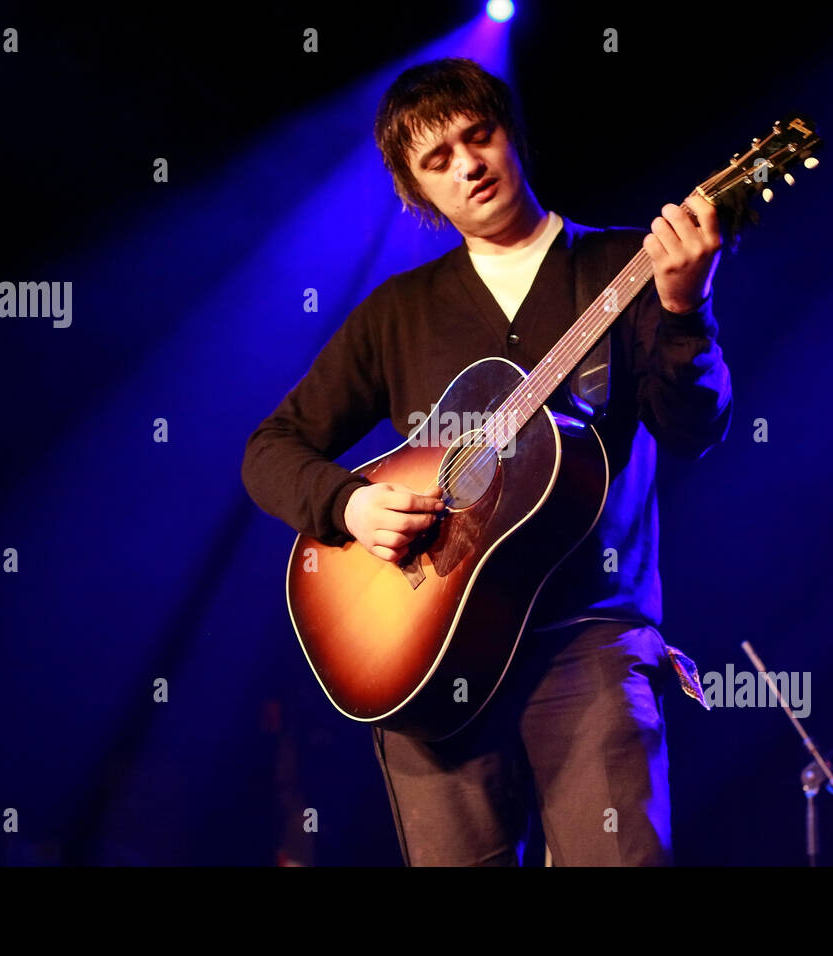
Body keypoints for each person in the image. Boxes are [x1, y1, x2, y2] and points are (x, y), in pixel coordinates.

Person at [241, 57, 732, 866]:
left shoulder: (622, 270)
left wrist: (686, 310)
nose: (468, 165)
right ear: (415, 190)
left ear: (513, 136)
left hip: (590, 644)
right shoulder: (397, 312)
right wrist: (349, 505)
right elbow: (270, 450)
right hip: (427, 661)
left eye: (480, 137)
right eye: (438, 160)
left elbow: (696, 428)